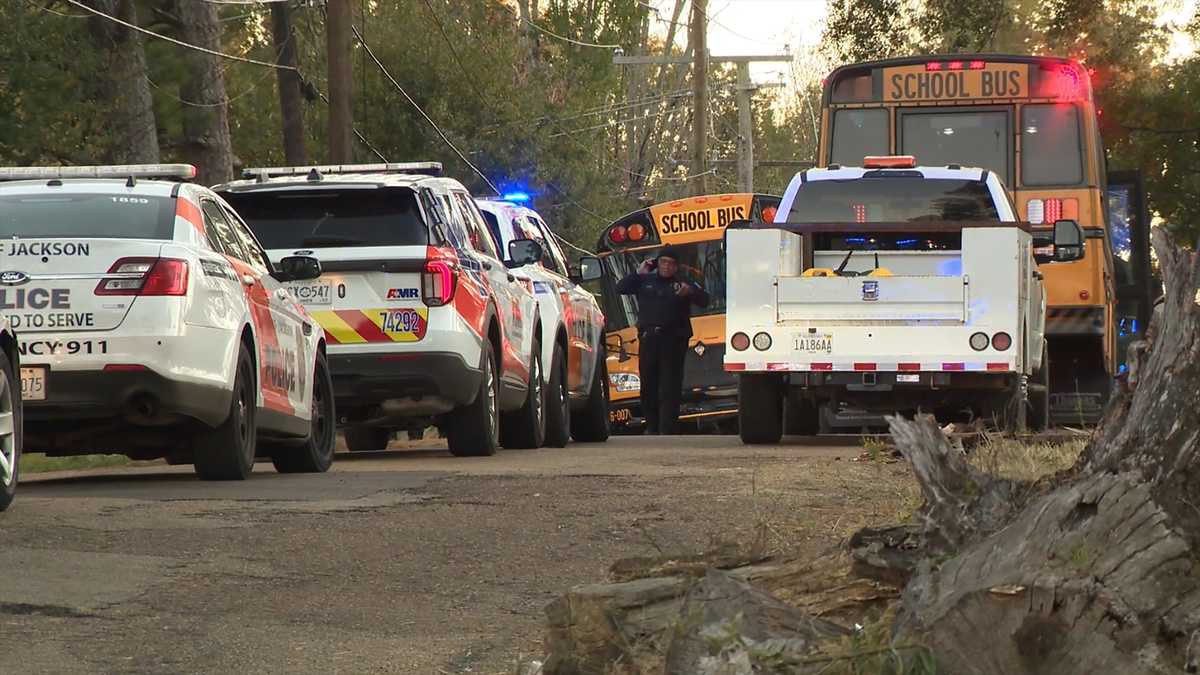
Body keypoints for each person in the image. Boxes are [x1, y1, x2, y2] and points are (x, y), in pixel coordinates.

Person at [616, 245, 709, 435]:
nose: (666, 266)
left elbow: (705, 300)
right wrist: (639, 273)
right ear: (657, 263)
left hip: (674, 341)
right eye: (663, 262)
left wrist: (690, 292)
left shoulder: (683, 282)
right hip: (649, 339)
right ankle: (652, 426)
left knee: (670, 387)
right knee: (648, 385)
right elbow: (621, 288)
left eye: (671, 263)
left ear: (677, 266)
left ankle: (668, 430)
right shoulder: (645, 280)